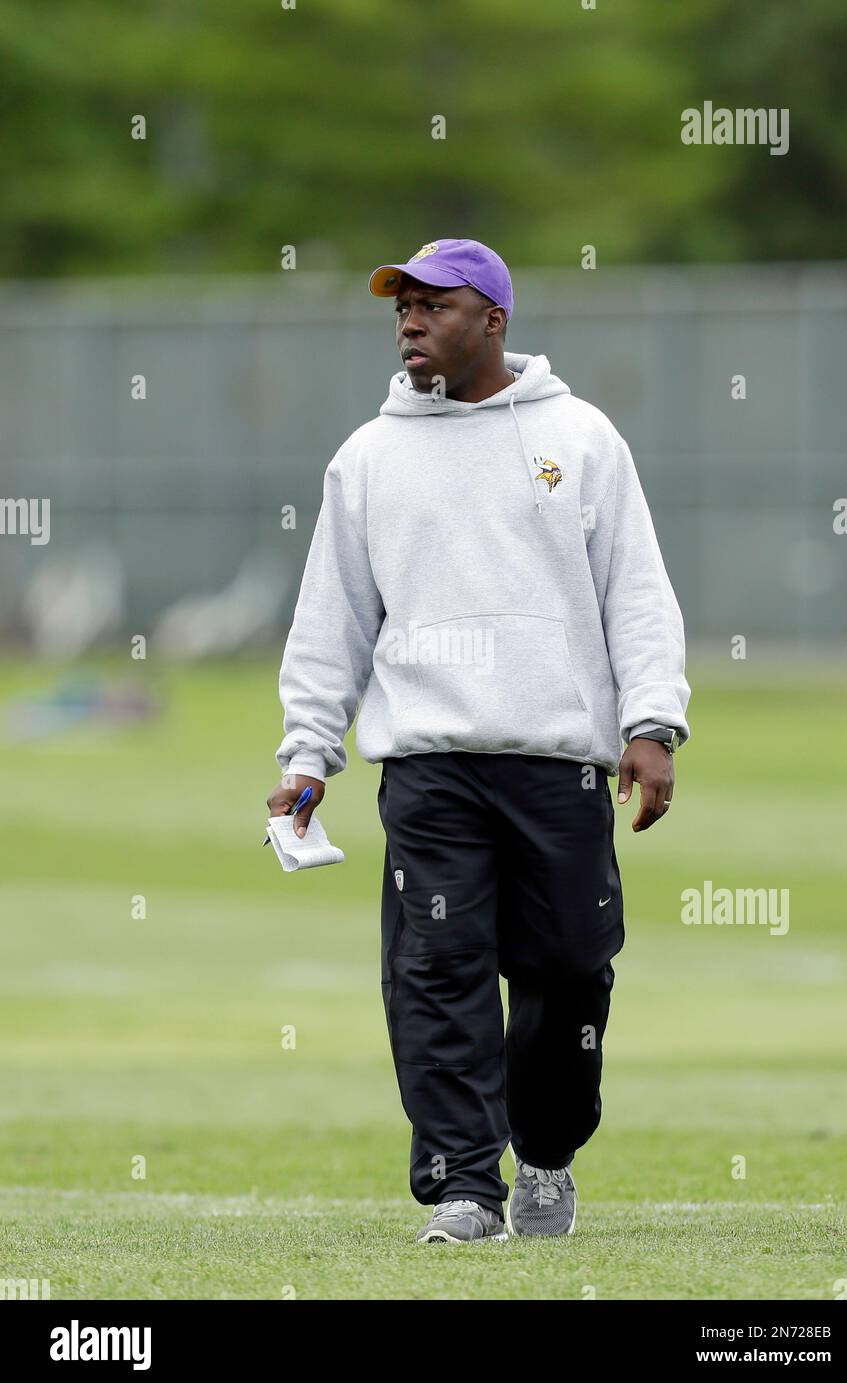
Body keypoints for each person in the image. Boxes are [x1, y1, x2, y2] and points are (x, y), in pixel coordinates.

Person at [267, 238, 691, 1244]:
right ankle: (463, 1184)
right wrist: (304, 753)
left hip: (554, 761)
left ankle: (543, 1152)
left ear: (492, 320)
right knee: (436, 971)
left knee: (569, 970)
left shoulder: (580, 438)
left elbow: (634, 587)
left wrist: (650, 723)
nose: (410, 321)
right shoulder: (366, 457)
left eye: (432, 305)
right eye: (400, 307)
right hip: (427, 767)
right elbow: (333, 620)